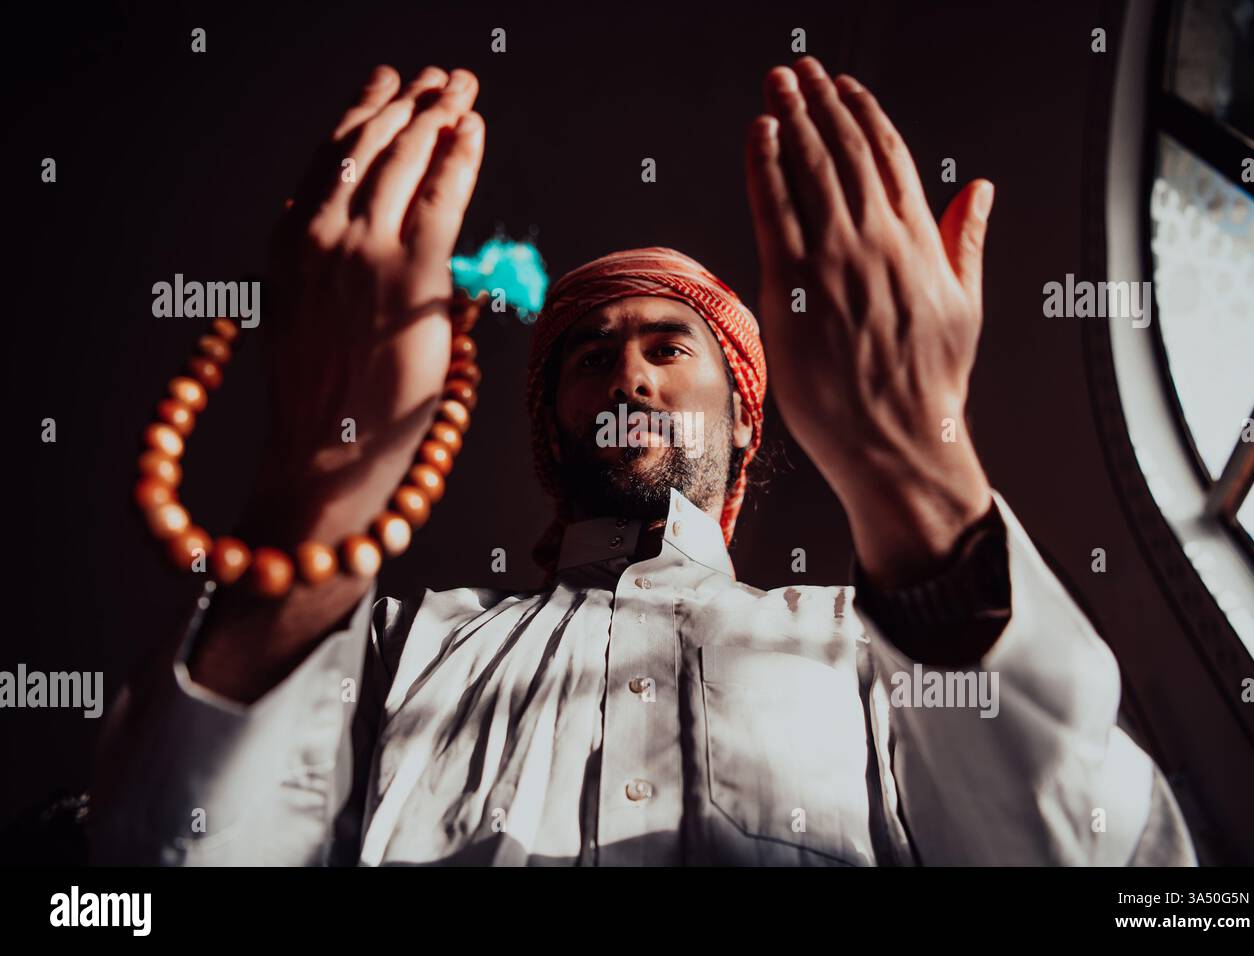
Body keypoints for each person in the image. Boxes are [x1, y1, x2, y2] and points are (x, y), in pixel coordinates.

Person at [89, 57, 1196, 865]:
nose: (629, 377)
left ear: (748, 417)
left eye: (671, 345)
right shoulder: (391, 642)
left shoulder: (867, 652)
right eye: (587, 355)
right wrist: (319, 475)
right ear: (547, 423)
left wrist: (918, 474)